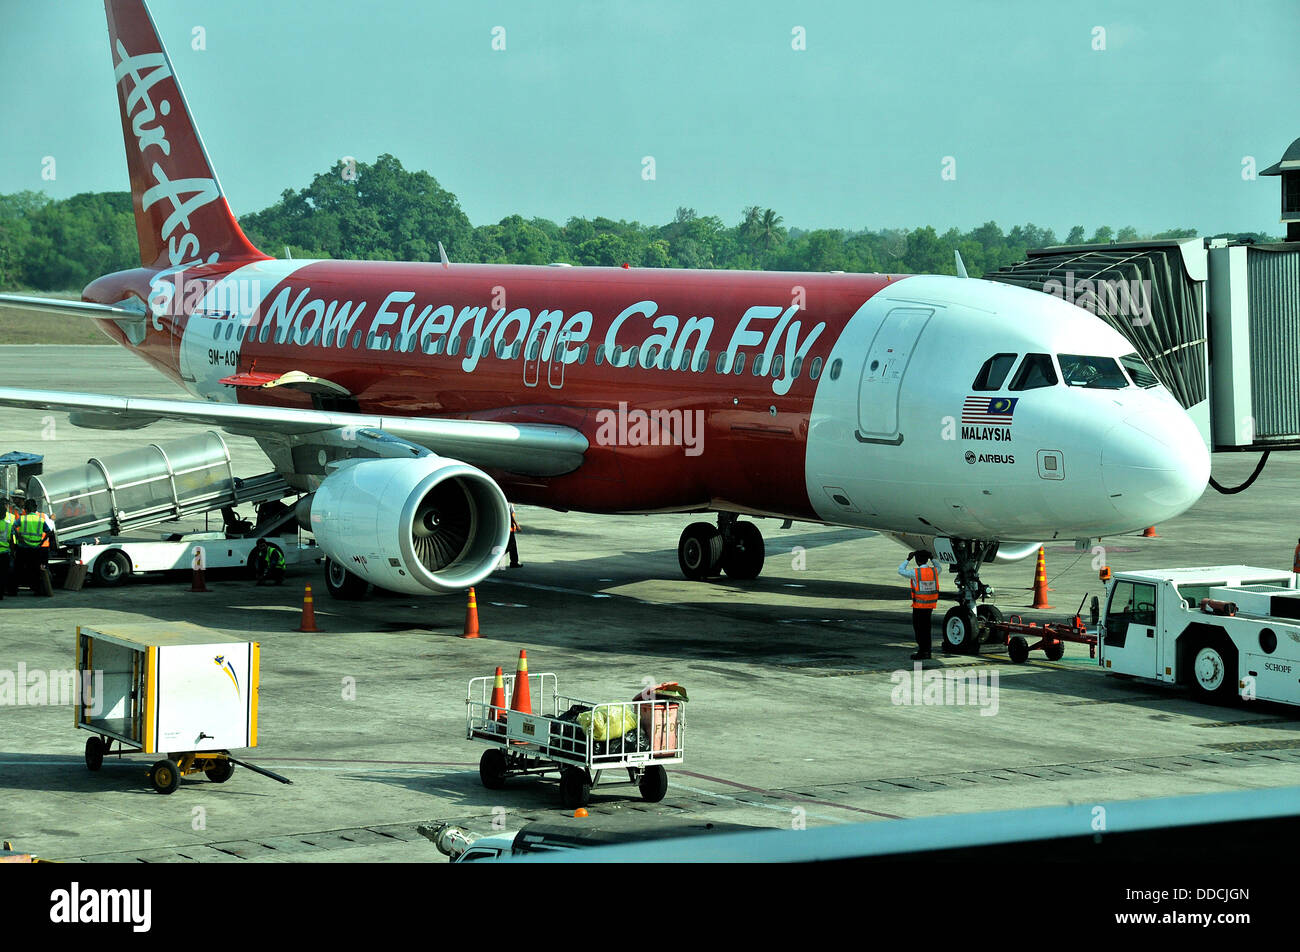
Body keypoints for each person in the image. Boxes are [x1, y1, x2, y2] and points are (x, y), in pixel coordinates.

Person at [899, 549, 940, 660]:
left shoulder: (915, 573)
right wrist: (932, 558)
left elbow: (901, 570)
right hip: (930, 606)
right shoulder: (934, 571)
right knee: (927, 629)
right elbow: (939, 567)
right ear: (927, 560)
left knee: (919, 630)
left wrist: (908, 559)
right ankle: (927, 651)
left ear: (917, 560)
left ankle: (923, 652)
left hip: (919, 607)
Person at [11, 498, 55, 595]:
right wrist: (41, 541)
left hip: (22, 548)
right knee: (35, 570)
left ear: (25, 509)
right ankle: (37, 590)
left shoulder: (22, 519)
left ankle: (13, 590)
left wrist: (19, 536)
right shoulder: (41, 520)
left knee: (18, 569)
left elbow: (13, 527)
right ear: (35, 509)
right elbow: (49, 532)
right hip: (36, 549)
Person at [0, 497, 14, 601]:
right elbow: (11, 539)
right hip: (5, 552)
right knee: (3, 574)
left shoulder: (11, 518)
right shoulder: (8, 524)